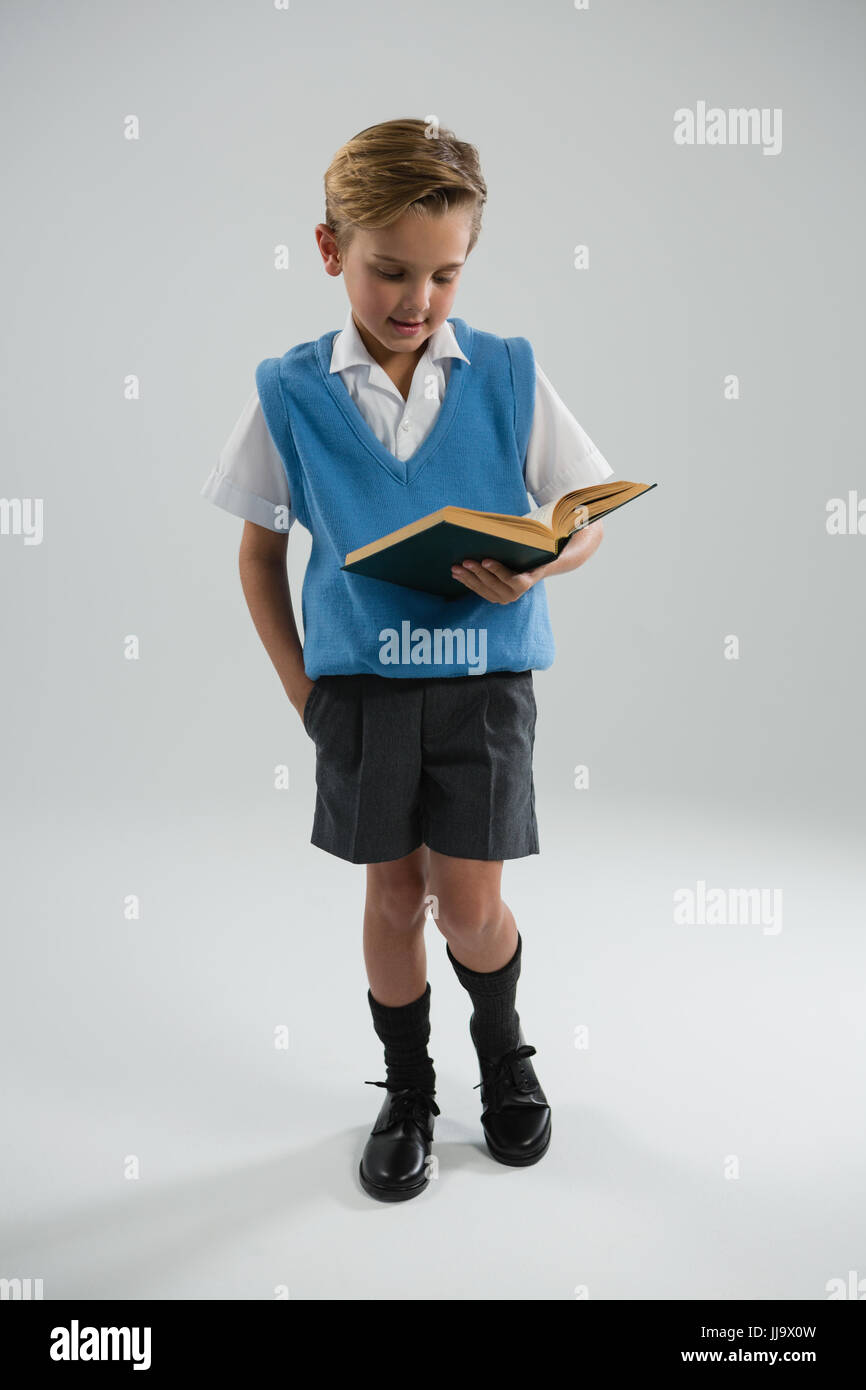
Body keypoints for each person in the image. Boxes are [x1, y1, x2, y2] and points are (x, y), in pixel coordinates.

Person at [201, 118, 612, 1203]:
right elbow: (257, 555)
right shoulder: (289, 392)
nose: (416, 298)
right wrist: (305, 697)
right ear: (332, 249)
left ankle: (504, 1056)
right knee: (393, 896)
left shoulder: (507, 372)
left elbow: (581, 515)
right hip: (362, 694)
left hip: (482, 688)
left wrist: (541, 565)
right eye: (389, 269)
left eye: (443, 272)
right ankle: (407, 1089)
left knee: (468, 904)